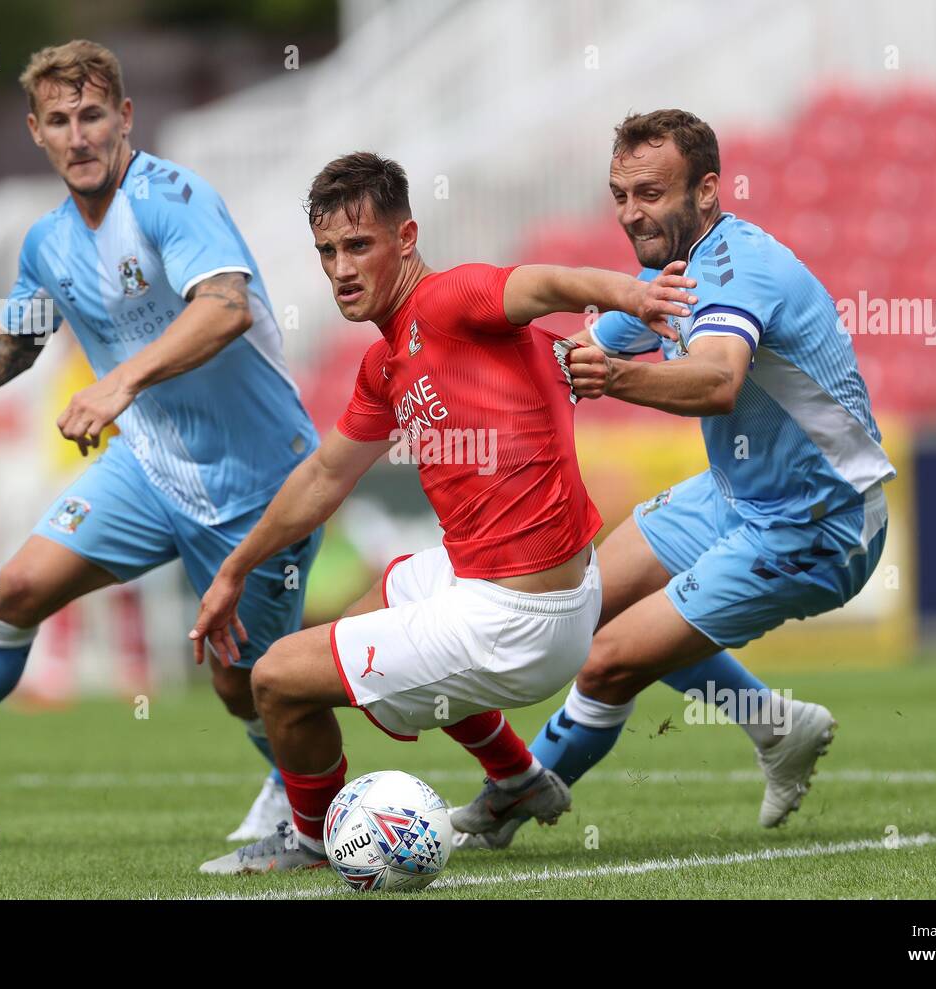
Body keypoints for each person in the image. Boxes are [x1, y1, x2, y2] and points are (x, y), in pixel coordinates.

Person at [0, 40, 318, 839]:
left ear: (125, 118)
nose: (79, 136)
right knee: (13, 589)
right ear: (35, 133)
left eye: (92, 115)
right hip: (150, 468)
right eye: (59, 121)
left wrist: (120, 382)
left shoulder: (173, 197)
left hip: (262, 483)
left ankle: (310, 797)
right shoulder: (47, 243)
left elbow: (225, 307)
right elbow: (12, 345)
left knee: (243, 686)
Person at [189, 151, 698, 875]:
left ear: (406, 238)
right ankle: (517, 778)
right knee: (388, 595)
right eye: (327, 251)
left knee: (275, 677)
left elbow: (540, 282)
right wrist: (234, 570)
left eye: (358, 245)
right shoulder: (384, 363)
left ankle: (309, 840)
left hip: (518, 621)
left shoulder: (450, 299)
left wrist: (629, 295)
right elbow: (326, 473)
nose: (340, 268)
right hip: (522, 595)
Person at [456, 109, 895, 851]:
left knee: (607, 659)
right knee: (577, 608)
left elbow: (719, 381)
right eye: (620, 194)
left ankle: (492, 816)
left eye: (651, 193)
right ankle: (773, 724)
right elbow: (573, 353)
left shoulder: (739, 269)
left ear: (708, 191)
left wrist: (616, 378)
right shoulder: (672, 277)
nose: (632, 212)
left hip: (823, 523)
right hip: (734, 497)